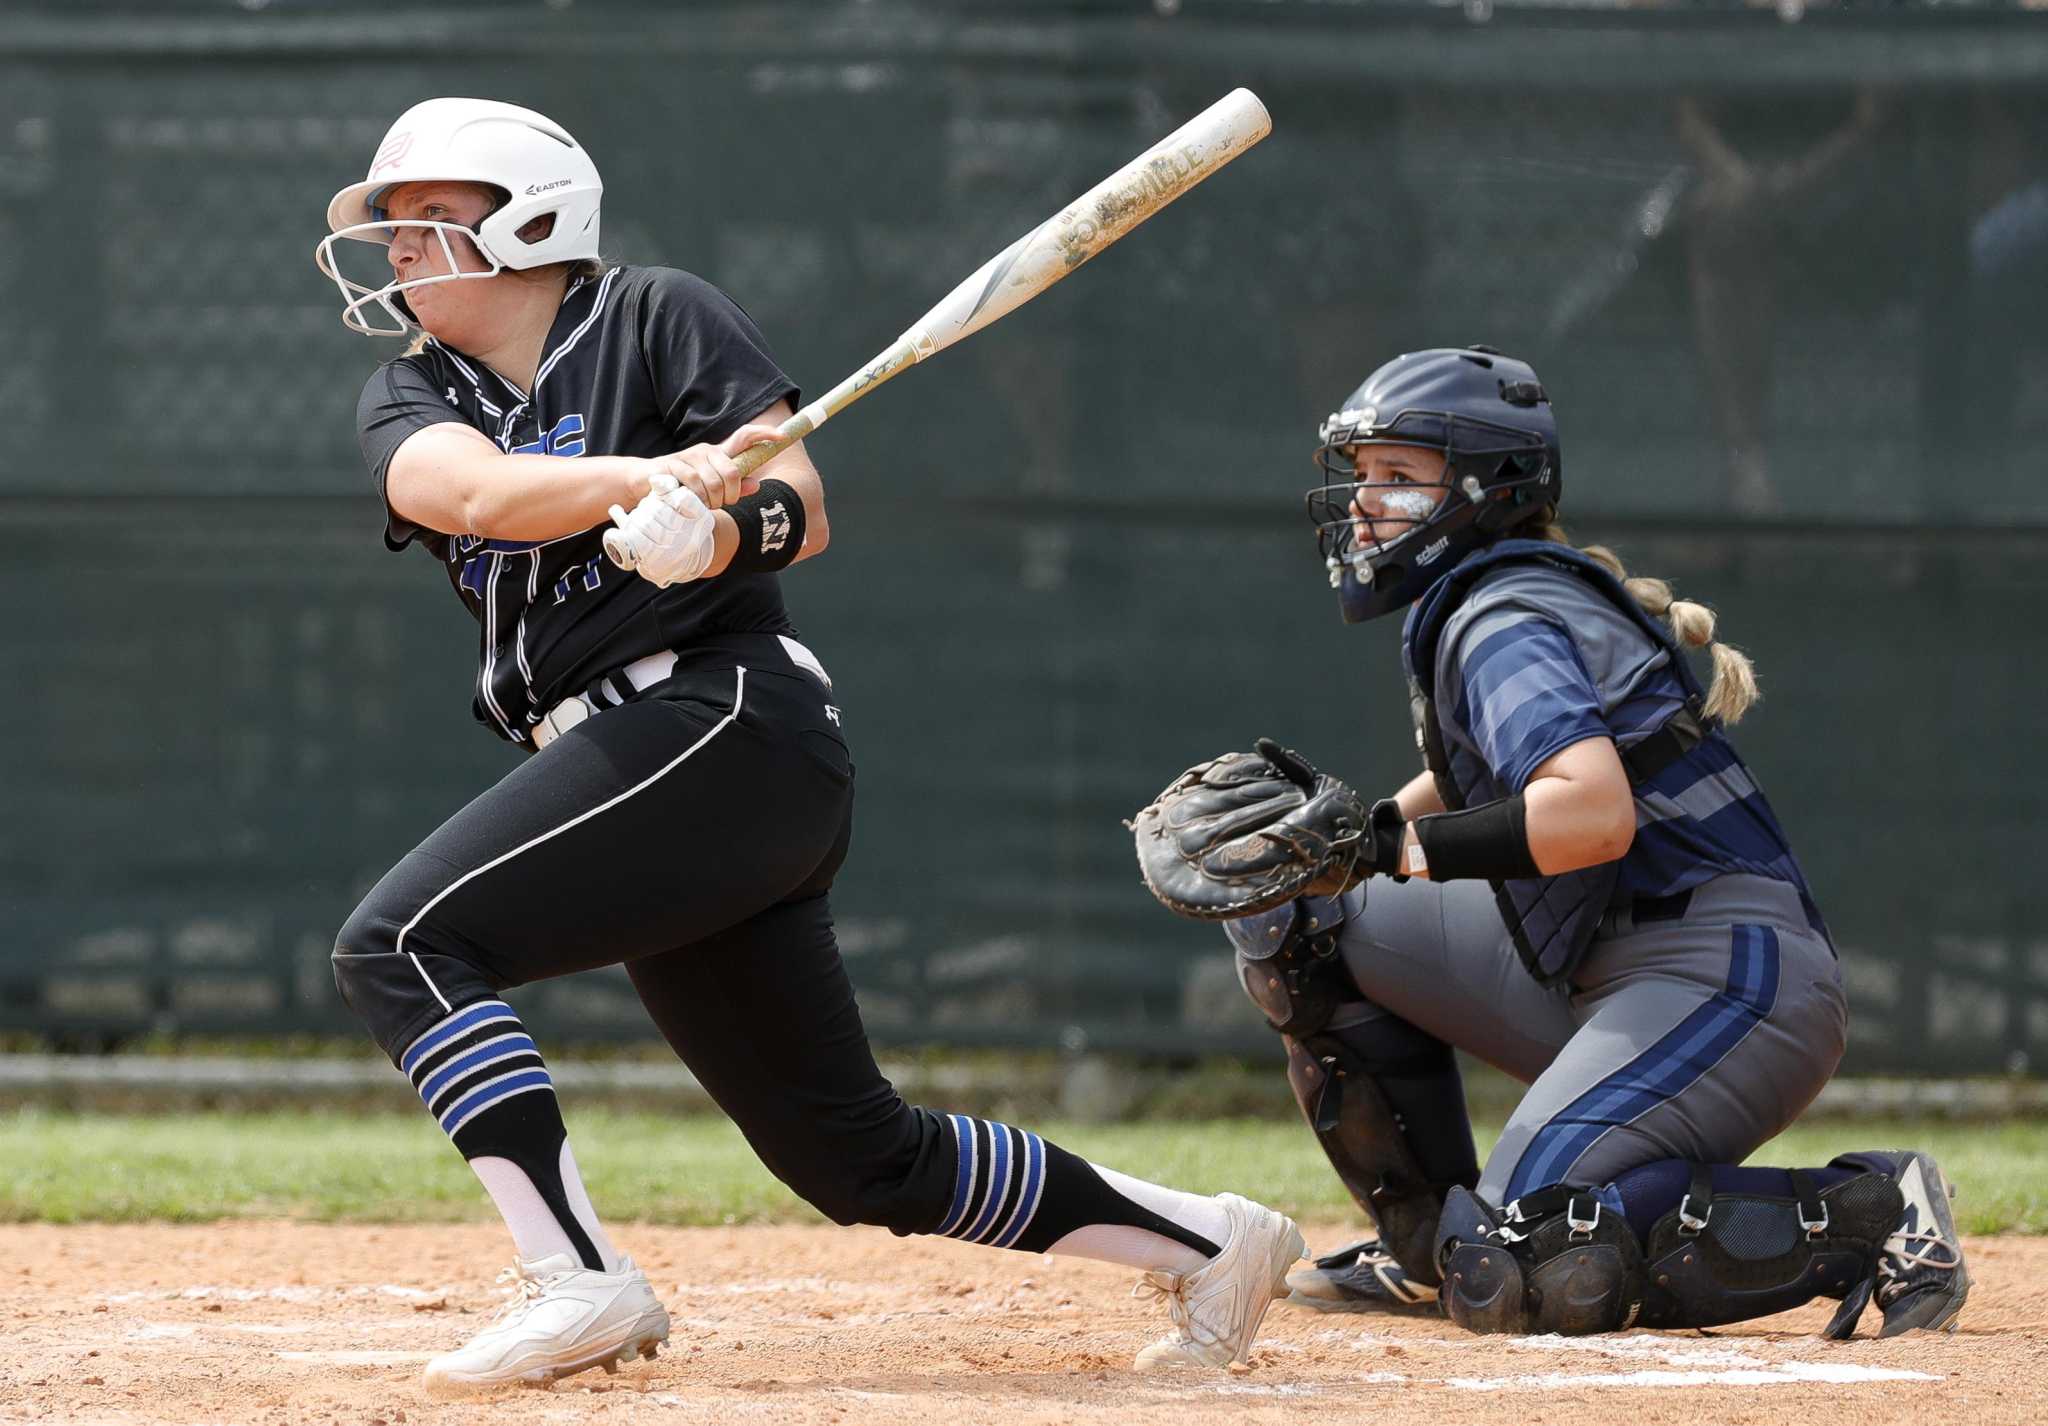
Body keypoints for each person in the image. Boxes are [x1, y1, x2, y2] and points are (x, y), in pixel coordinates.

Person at [314, 97, 1302, 1392]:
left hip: (723, 720)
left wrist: (717, 535)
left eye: (430, 219)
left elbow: (802, 505)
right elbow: (473, 493)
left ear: (531, 219)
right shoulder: (413, 389)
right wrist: (650, 481)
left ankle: (577, 1276)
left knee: (400, 942)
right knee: (854, 1156)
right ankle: (1215, 1239)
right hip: (642, 768)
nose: (397, 245)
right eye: (390, 224)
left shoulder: (659, 311)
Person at [1211, 346, 1968, 1336]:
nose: (1364, 505)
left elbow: (1589, 812)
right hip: (1603, 962)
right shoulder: (1490, 600)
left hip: (1725, 975)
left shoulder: (1500, 610)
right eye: (1364, 478)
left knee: (1533, 1251)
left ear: (1485, 486)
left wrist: (1397, 850)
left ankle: (1871, 1209)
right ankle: (1426, 1253)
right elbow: (1479, 775)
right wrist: (1348, 846)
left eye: (1398, 478)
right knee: (1303, 916)